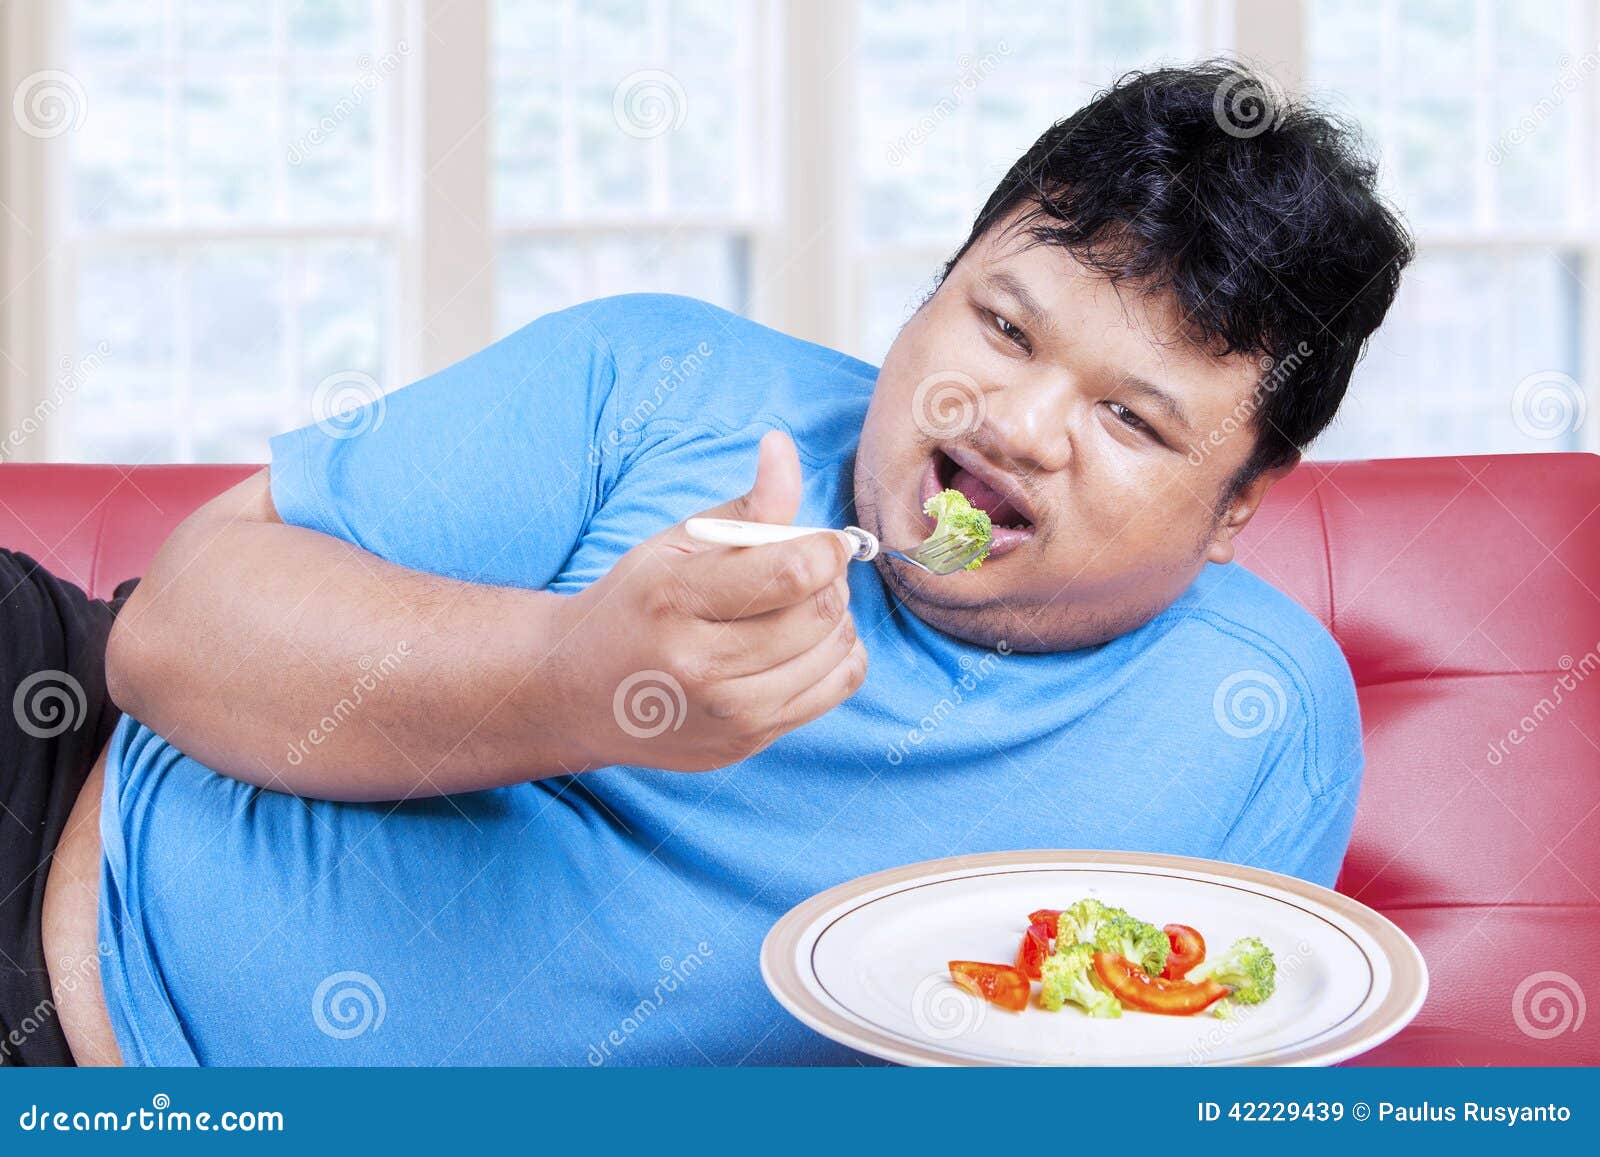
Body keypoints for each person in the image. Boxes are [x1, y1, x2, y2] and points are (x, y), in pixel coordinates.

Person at [22, 64, 1410, 1066]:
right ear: (937, 281)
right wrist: (582, 679)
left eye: (1128, 419)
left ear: (1237, 506)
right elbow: (169, 637)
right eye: (1001, 325)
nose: (1018, 426)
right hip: (62, 810)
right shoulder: (662, 375)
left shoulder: (1255, 725)